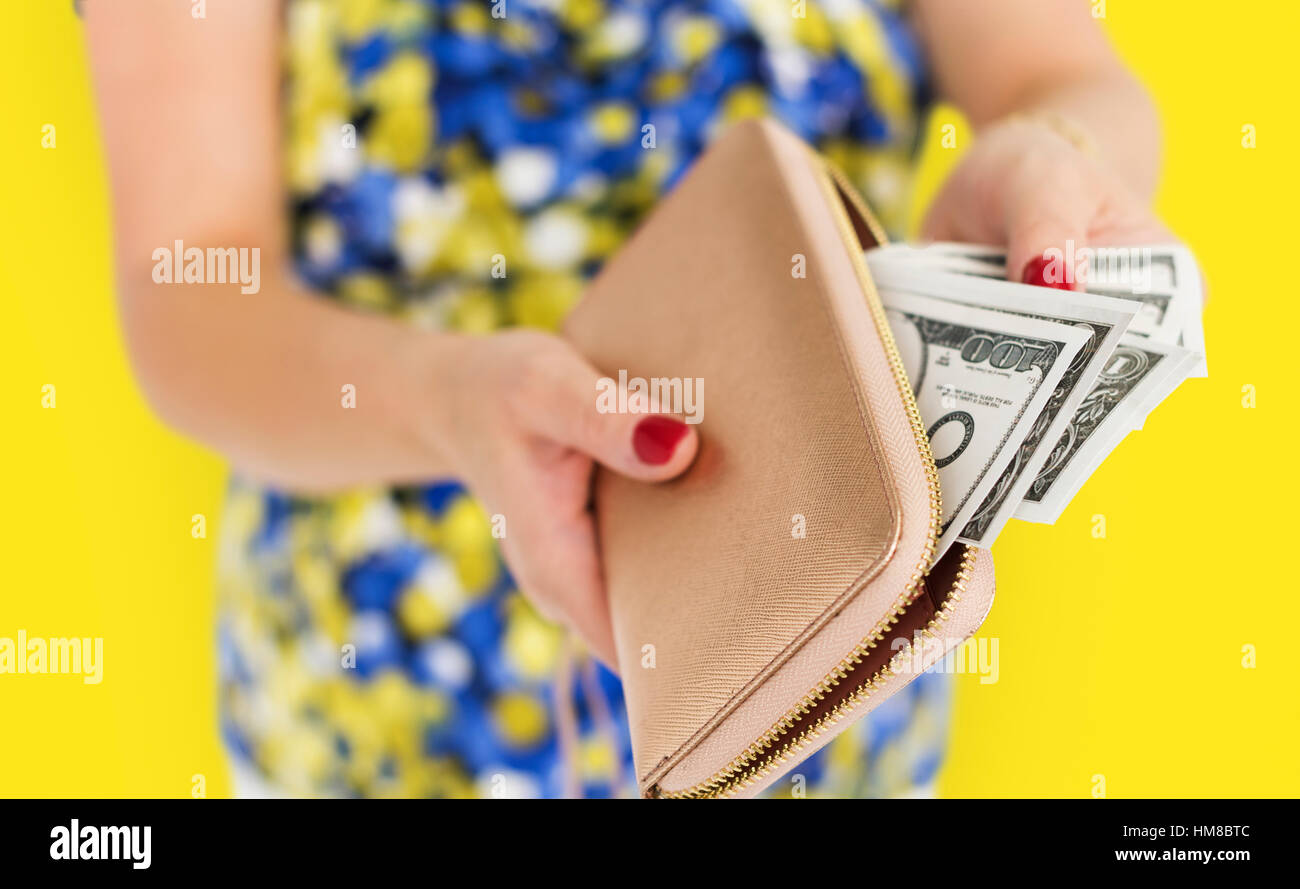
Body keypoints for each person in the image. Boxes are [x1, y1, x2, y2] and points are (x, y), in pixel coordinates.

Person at [85, 0, 1172, 798]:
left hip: (816, 687)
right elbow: (185, 286)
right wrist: (450, 401)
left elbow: (1065, 74)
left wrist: (1057, 155)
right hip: (375, 711)